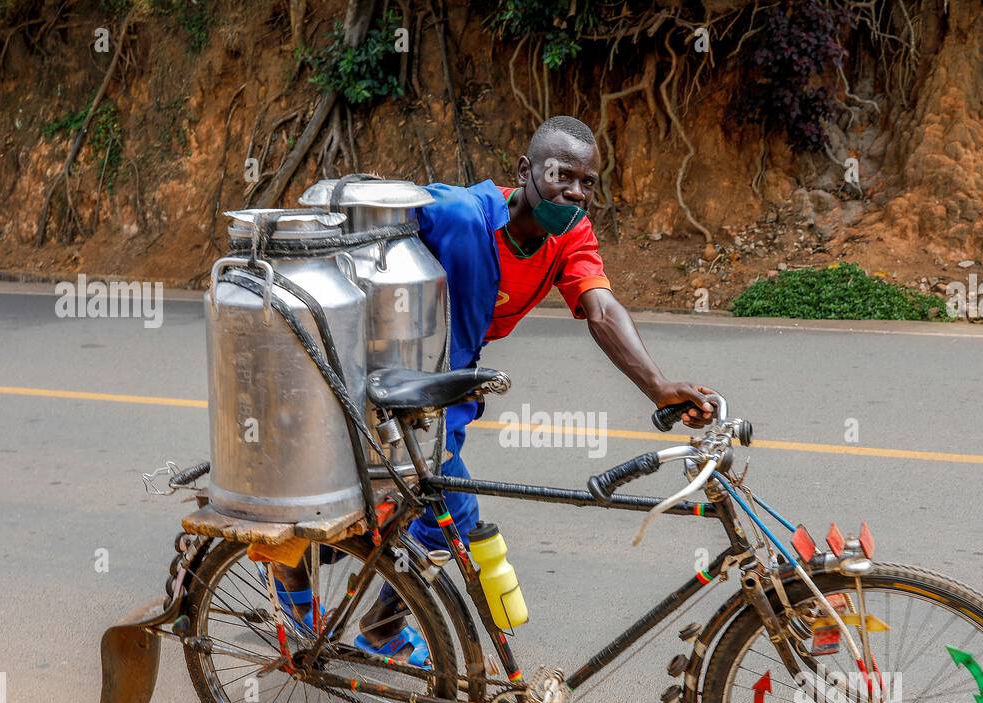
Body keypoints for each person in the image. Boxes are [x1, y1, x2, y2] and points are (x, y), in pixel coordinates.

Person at [276, 115, 716, 666]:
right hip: (366, 362)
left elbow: (600, 309)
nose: (576, 193)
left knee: (441, 524)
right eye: (563, 177)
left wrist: (657, 386)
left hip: (442, 387)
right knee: (319, 494)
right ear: (525, 171)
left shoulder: (568, 236)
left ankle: (380, 630)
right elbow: (372, 219)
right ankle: (298, 607)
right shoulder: (465, 213)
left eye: (588, 183)